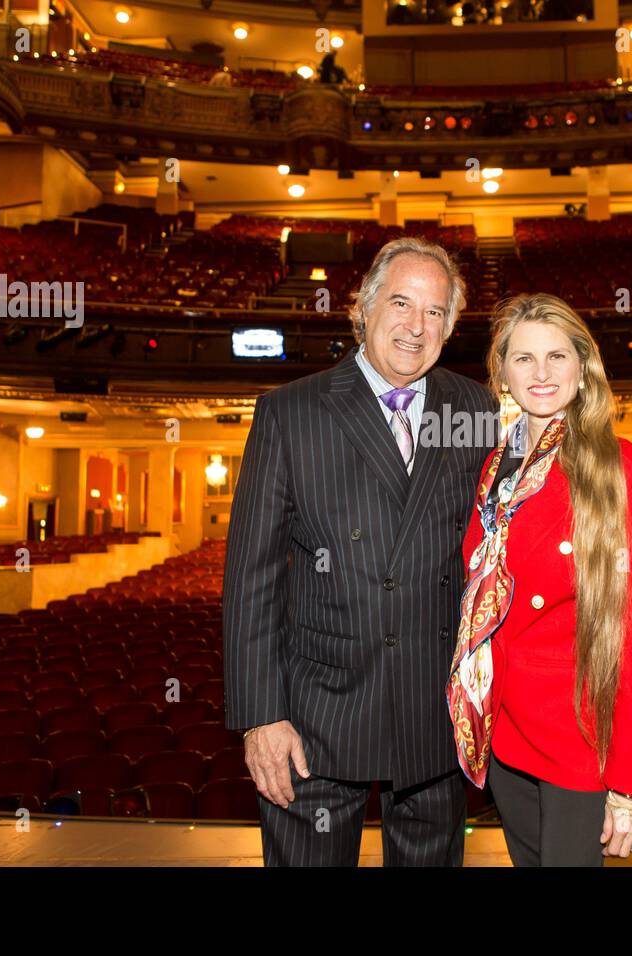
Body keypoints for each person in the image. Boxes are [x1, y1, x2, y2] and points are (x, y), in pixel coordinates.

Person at [222, 237, 498, 866]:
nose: (415, 326)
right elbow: (251, 579)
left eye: (434, 312)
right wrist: (261, 717)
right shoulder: (289, 412)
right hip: (314, 716)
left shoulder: (475, 406)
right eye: (401, 303)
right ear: (365, 309)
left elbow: (485, 554)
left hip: (434, 715)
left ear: (450, 327)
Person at [448, 293, 632, 866]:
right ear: (501, 371)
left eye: (557, 356)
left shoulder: (629, 472)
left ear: (584, 368)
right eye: (523, 358)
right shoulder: (492, 470)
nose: (542, 373)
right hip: (502, 731)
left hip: (580, 737)